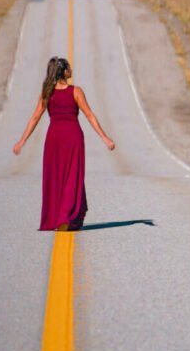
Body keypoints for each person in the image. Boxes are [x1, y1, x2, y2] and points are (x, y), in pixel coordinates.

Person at [13, 56, 116, 231]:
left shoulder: (47, 93)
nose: (72, 69)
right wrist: (105, 138)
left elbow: (35, 117)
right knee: (72, 177)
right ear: (65, 72)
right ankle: (67, 216)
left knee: (55, 177)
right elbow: (89, 115)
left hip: (54, 139)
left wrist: (22, 141)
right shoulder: (76, 91)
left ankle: (60, 217)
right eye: (69, 67)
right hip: (73, 138)